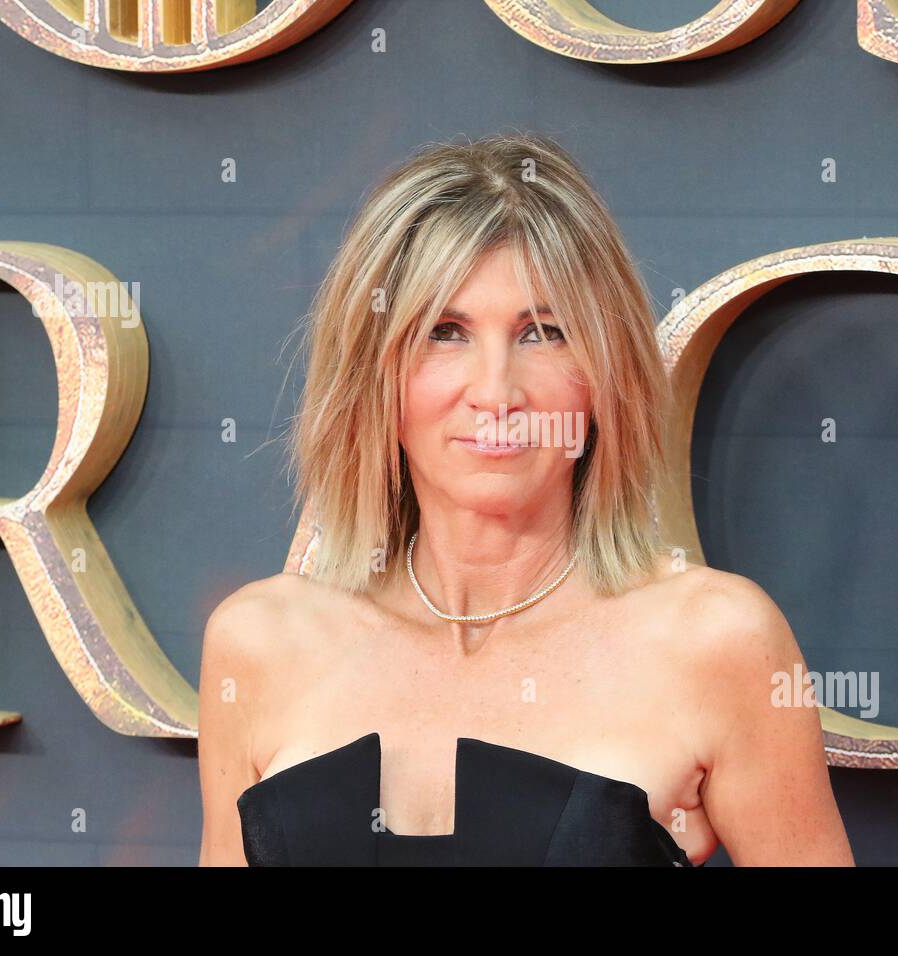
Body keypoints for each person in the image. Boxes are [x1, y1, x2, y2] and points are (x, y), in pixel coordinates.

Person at [198, 131, 854, 866]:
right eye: (444, 333)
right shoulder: (260, 643)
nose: (496, 393)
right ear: (371, 376)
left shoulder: (715, 641)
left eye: (543, 333)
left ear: (606, 373)